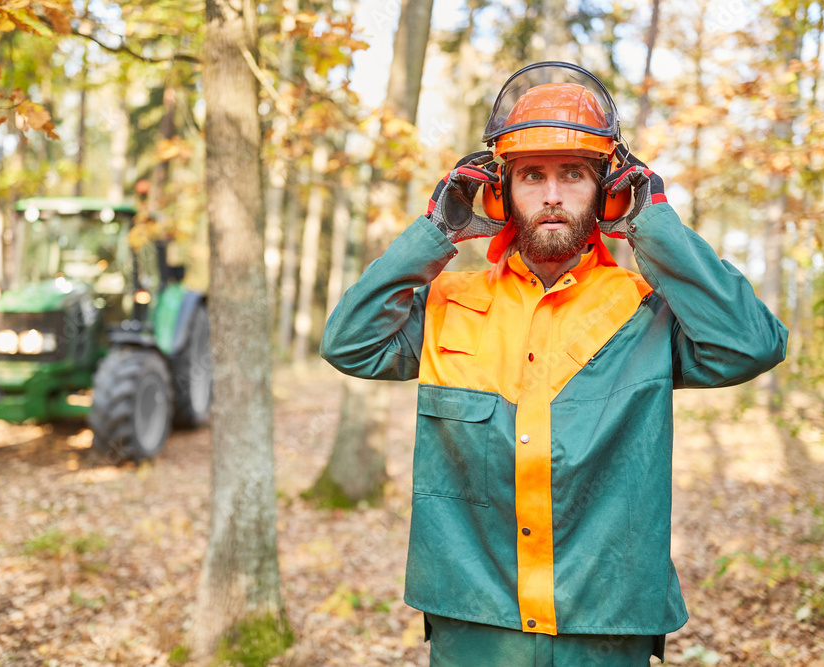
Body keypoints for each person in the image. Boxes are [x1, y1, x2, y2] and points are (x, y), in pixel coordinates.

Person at [320, 62, 788, 666]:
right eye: (531, 175)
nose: (551, 195)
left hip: (603, 625)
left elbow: (752, 344)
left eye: (573, 175)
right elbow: (348, 343)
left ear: (606, 191)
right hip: (475, 625)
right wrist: (436, 230)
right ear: (500, 193)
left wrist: (653, 221)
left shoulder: (644, 310)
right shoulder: (450, 305)